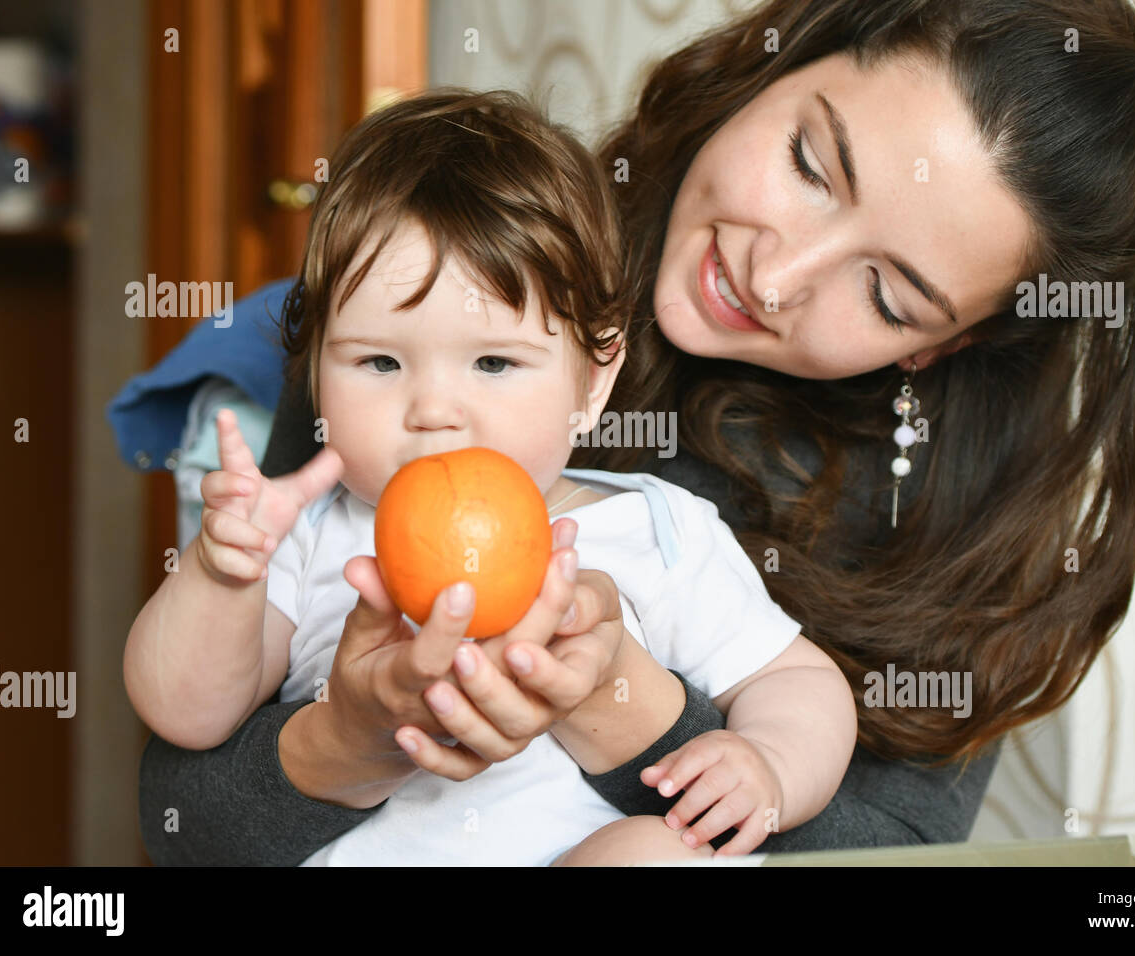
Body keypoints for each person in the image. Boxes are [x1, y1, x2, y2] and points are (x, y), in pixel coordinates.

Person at [136, 0, 1135, 865]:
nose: (774, 274)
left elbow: (861, 844)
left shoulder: (841, 538)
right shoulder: (440, 312)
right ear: (777, 66)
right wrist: (345, 736)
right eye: (809, 162)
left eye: (885, 293)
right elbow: (182, 808)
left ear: (940, 345)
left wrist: (625, 706)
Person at [125, 88, 857, 865]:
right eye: (379, 361)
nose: (435, 411)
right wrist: (222, 571)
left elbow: (800, 684)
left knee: (657, 855)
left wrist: (769, 764)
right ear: (314, 372)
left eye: (494, 363)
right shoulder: (309, 534)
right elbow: (186, 715)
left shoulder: (658, 531)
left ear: (593, 379)